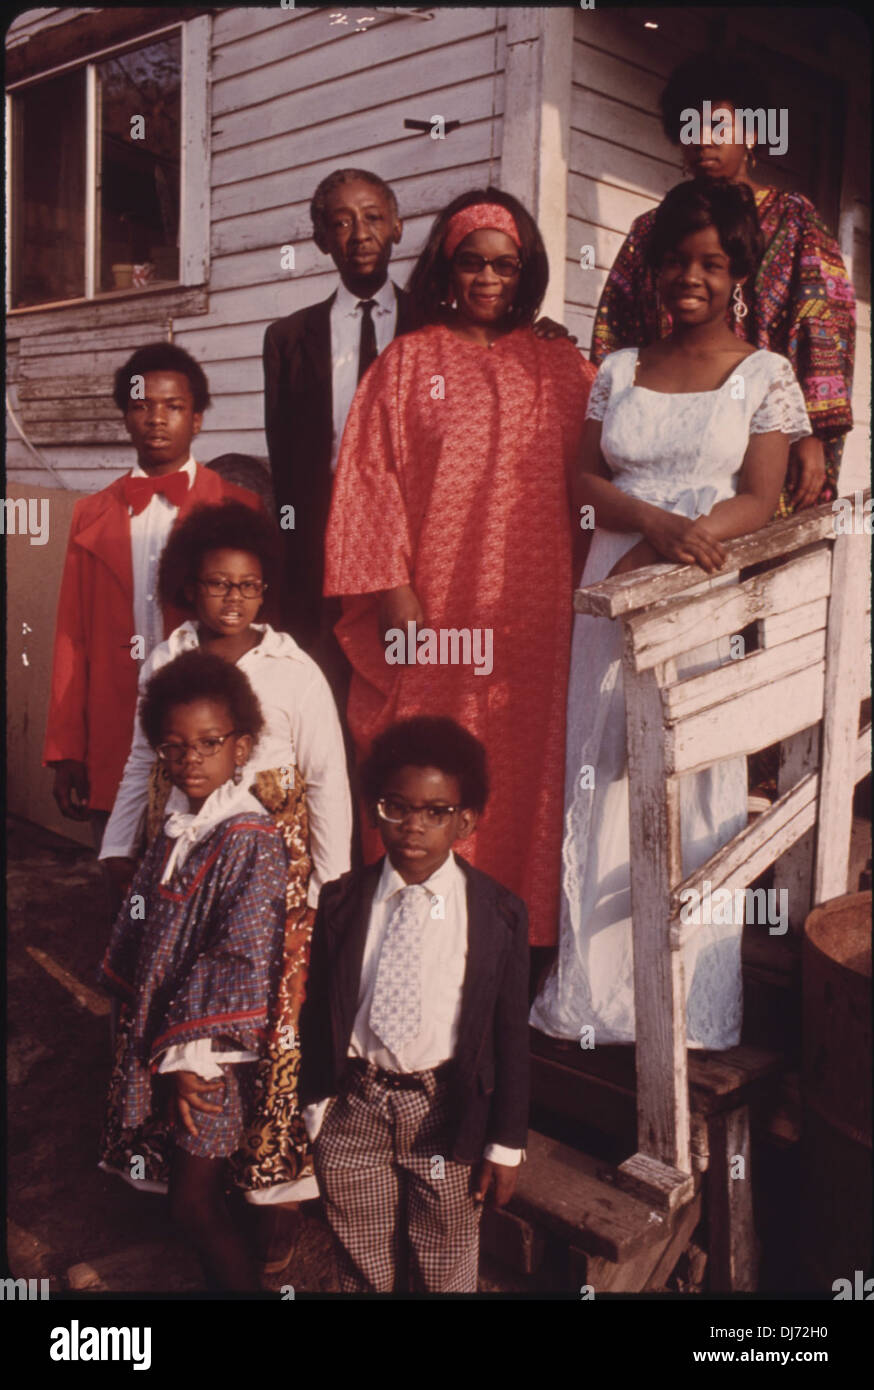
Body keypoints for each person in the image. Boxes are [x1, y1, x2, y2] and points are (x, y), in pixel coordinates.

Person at [530, 181, 811, 1050]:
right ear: (653, 270)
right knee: (603, 762)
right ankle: (593, 1001)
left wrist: (682, 540)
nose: (692, 276)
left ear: (737, 275)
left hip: (698, 586)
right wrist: (649, 525)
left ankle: (687, 1004)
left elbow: (762, 497)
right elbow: (583, 482)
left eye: (712, 263)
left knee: (692, 777)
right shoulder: (617, 369)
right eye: (677, 260)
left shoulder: (765, 374)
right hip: (614, 580)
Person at [323, 188, 596, 951]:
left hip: (537, 614)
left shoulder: (563, 364)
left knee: (529, 767)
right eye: (471, 262)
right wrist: (392, 586)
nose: (487, 279)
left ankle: (518, 937)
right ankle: (412, 939)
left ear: (526, 272)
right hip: (436, 611)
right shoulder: (408, 362)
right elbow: (367, 479)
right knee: (428, 755)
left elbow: (609, 467)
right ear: (446, 268)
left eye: (505, 266)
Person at [98, 501, 352, 1274]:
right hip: (185, 839)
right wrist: (116, 847)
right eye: (216, 584)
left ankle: (274, 1195)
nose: (233, 599)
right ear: (190, 586)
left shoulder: (292, 668)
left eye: (248, 586)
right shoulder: (168, 655)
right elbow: (145, 761)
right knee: (176, 996)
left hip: (272, 862)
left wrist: (328, 892)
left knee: (270, 1030)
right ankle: (178, 1157)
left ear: (265, 592)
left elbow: (326, 776)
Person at [298, 716, 529, 1293]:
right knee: (361, 1266)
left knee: (446, 1267)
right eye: (396, 807)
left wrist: (506, 1144)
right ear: (375, 807)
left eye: (436, 812)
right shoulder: (342, 900)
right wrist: (315, 1103)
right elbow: (319, 1007)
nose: (412, 827)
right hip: (356, 1106)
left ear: (466, 819)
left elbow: (510, 1037)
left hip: (445, 1116)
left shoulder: (498, 914)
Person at [590, 49, 856, 518]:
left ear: (752, 133)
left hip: (767, 441)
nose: (702, 142)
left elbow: (824, 330)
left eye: (718, 127)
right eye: (689, 130)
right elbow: (617, 329)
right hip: (670, 445)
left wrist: (810, 431)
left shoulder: (795, 221)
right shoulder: (650, 231)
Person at [98, 650, 288, 1291]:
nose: (192, 760)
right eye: (175, 748)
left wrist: (191, 1061)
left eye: (210, 743)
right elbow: (147, 917)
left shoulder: (249, 838)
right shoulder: (181, 826)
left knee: (193, 1202)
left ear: (244, 745)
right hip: (168, 1041)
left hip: (208, 1060)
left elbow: (240, 953)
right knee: (192, 1194)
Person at [43, 342, 261, 851]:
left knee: (204, 874)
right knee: (122, 875)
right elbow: (71, 639)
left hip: (206, 730)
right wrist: (66, 750)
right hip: (115, 726)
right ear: (125, 417)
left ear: (198, 419)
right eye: (141, 406)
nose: (156, 420)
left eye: (174, 406)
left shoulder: (238, 506)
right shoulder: (90, 515)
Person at [263, 168, 416, 666]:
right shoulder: (288, 339)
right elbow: (286, 465)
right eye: (342, 223)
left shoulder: (435, 323)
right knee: (329, 669)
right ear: (321, 238)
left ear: (397, 226)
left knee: (410, 668)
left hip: (417, 529)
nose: (361, 234)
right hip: (324, 532)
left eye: (373, 217)